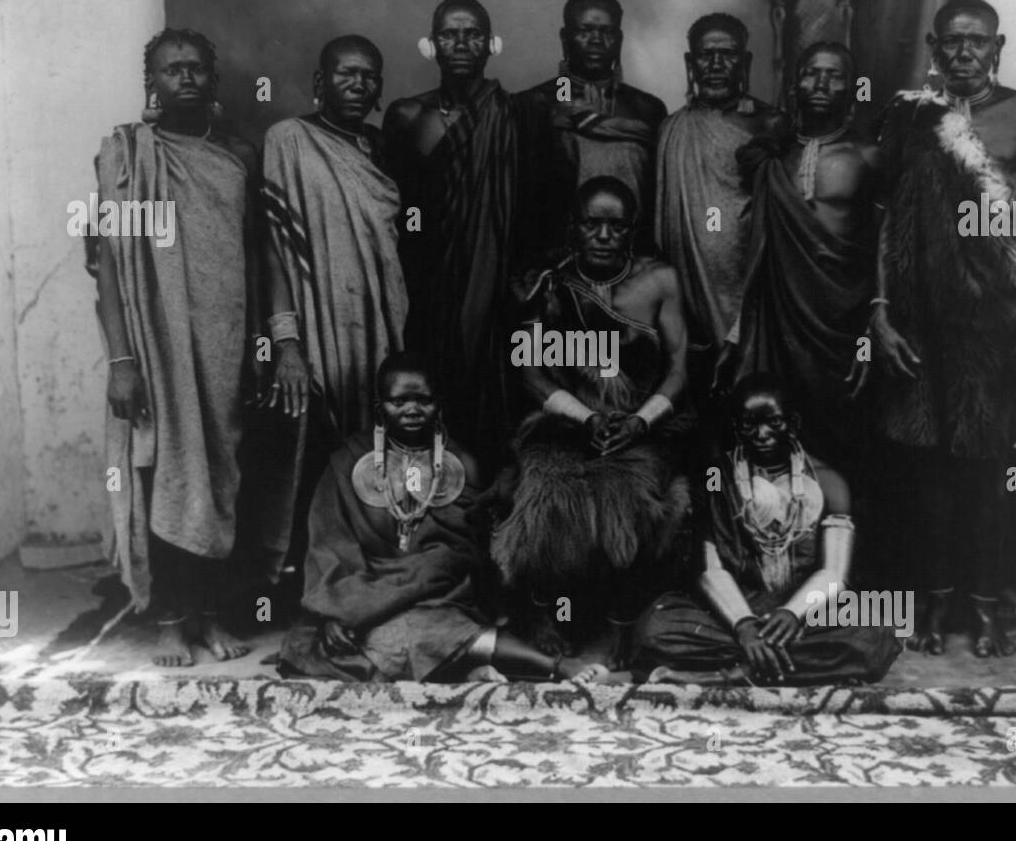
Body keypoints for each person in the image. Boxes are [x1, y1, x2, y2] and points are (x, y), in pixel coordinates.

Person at [871, 0, 1016, 657]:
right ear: (933, 43)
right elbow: (888, 218)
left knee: (984, 471)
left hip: (992, 323)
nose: (963, 52)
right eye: (951, 41)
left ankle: (983, 607)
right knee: (926, 472)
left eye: (976, 41)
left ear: (997, 47)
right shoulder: (909, 117)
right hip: (920, 319)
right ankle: (934, 599)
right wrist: (881, 311)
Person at [279, 354, 607, 684]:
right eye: (398, 401)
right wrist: (339, 612)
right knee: (312, 643)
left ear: (439, 405)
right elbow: (328, 547)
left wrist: (389, 596)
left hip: (438, 599)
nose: (411, 409)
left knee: (412, 630)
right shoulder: (346, 461)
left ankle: (555, 666)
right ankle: (461, 667)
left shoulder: (462, 462)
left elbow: (459, 555)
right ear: (380, 407)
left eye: (424, 400)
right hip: (359, 595)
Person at [95, 28, 257, 666]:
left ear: (214, 84)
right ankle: (169, 619)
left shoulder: (239, 155)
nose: (185, 78)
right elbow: (110, 263)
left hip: (222, 341)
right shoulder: (127, 156)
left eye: (196, 69)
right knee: (160, 468)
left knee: (221, 474)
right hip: (154, 347)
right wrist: (122, 360)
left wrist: (266, 345)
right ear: (151, 84)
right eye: (171, 70)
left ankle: (212, 616)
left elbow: (254, 254)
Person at [491, 176, 691, 667]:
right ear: (573, 227)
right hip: (563, 426)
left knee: (634, 501)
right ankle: (543, 615)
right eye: (592, 224)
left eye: (616, 226)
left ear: (631, 231)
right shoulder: (546, 281)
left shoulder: (660, 280)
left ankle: (623, 619)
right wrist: (584, 418)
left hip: (639, 427)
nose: (604, 235)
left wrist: (640, 422)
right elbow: (530, 370)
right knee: (543, 495)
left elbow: (681, 366)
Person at [254, 34, 409, 579]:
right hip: (315, 329)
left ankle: (363, 576)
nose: (358, 83)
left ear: (379, 88)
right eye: (345, 73)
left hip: (380, 323)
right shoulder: (289, 140)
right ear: (320, 83)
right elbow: (274, 250)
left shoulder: (382, 148)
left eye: (369, 75)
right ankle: (295, 582)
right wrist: (287, 342)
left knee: (373, 446)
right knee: (310, 453)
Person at [633, 374, 901, 685]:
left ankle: (734, 673)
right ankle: (778, 663)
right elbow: (711, 568)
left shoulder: (829, 482)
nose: (761, 434)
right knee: (653, 628)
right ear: (736, 427)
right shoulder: (717, 478)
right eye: (749, 424)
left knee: (875, 632)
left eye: (773, 423)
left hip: (805, 606)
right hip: (733, 605)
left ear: (793, 423)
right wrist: (744, 624)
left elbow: (834, 574)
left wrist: (791, 613)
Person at [726, 42, 884, 477]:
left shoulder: (869, 155)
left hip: (844, 325)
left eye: (834, 75)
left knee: (846, 438)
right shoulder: (771, 157)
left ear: (852, 88)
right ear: (795, 84)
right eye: (811, 73)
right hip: (783, 323)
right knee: (781, 432)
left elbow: (885, 248)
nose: (821, 83)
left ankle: (843, 534)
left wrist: (873, 330)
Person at [383, 0, 520, 468]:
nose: (461, 43)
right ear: (432, 45)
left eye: (473, 34)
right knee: (430, 389)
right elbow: (390, 205)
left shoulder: (514, 116)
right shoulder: (405, 115)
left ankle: (483, 514)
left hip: (492, 287)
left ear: (490, 44)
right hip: (426, 284)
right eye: (450, 34)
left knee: (490, 401)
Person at [653, 13, 782, 396]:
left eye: (727, 55)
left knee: (750, 379)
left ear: (745, 63)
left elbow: (781, 215)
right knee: (695, 386)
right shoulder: (671, 127)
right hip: (686, 278)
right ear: (690, 63)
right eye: (705, 55)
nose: (715, 65)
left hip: (747, 277)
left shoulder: (770, 124)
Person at [517, 0, 666, 257]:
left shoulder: (646, 109)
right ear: (565, 38)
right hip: (554, 254)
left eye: (606, 32)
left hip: (630, 255)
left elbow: (659, 200)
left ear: (619, 40)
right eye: (584, 30)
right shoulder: (534, 104)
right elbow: (522, 199)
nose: (596, 40)